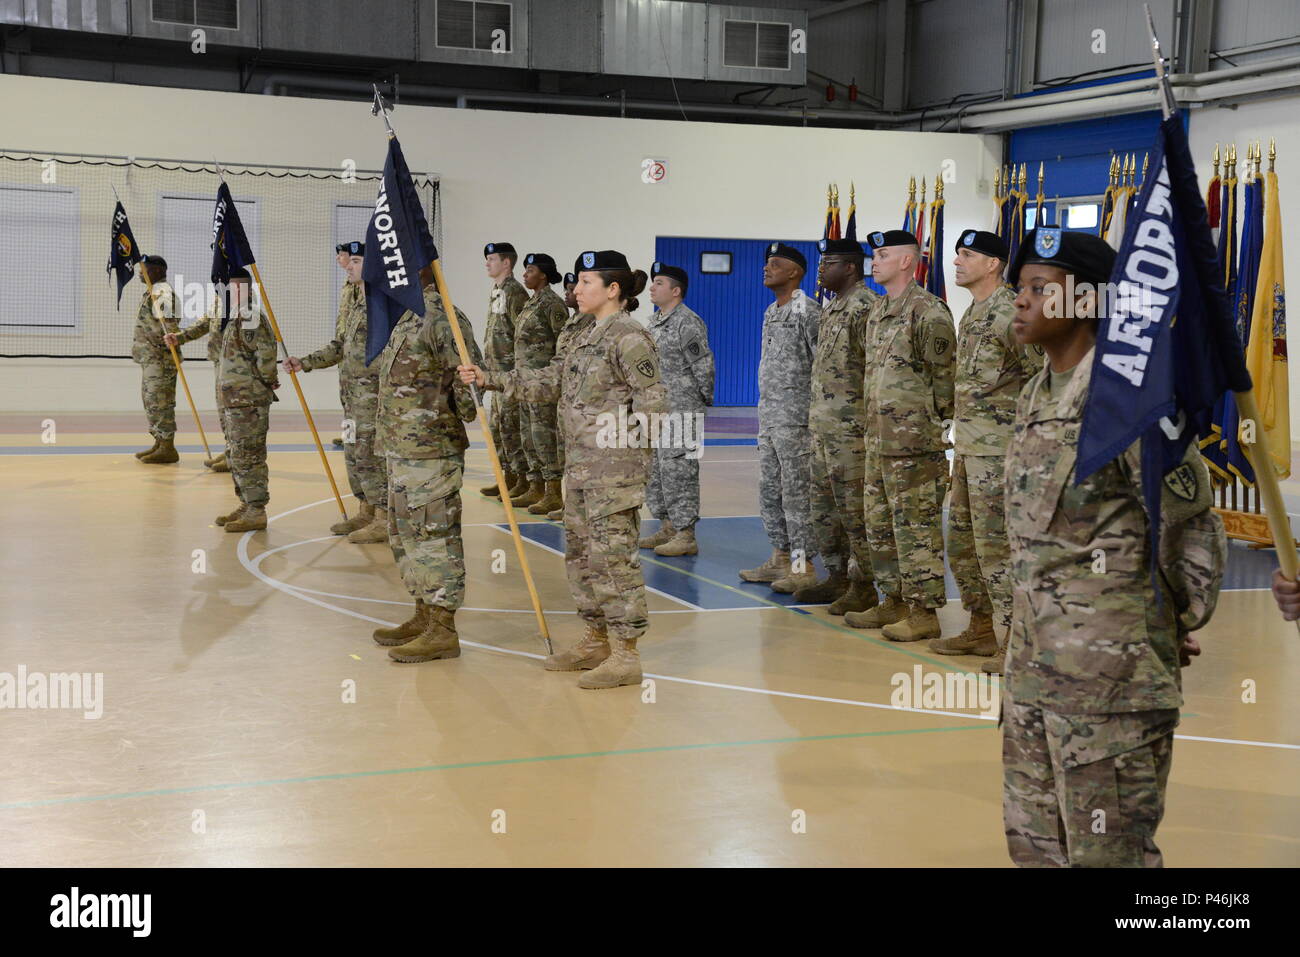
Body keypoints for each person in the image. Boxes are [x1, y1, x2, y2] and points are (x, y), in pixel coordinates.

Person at [1001, 227, 1226, 867]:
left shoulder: (1131, 402)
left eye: (1040, 289)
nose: (1020, 301)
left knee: (1110, 860)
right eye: (1020, 288)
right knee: (1035, 851)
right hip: (1033, 679)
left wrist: (1163, 625)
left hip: (1109, 691)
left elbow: (1189, 532)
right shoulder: (1036, 394)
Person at [459, 250, 668, 690]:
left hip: (613, 474)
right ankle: (596, 640)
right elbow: (550, 379)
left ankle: (626, 653)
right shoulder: (582, 335)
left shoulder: (629, 337)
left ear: (613, 290)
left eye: (587, 282)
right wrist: (489, 379)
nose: (576, 289)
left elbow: (655, 407)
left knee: (613, 561)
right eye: (578, 282)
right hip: (579, 468)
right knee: (582, 559)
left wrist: (631, 465)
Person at [934, 229, 1042, 672]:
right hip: (970, 448)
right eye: (957, 253)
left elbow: (1040, 375)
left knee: (998, 547)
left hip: (1001, 453)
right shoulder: (974, 312)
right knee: (963, 543)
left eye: (968, 254)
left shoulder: (1009, 311)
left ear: (993, 264)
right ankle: (981, 627)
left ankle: (1017, 640)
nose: (957, 261)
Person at [369, 265, 482, 663]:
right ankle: (423, 613)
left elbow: (467, 381)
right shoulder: (404, 317)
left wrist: (458, 416)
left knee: (434, 538)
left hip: (432, 451)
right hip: (401, 451)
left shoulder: (443, 317)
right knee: (406, 537)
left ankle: (443, 628)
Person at [845, 230, 955, 639]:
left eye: (884, 255)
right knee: (880, 525)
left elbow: (944, 379)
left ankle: (924, 612)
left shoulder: (929, 311)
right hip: (877, 440)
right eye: (875, 255)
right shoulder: (878, 310)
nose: (874, 261)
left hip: (914, 444)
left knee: (916, 527)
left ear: (907, 262)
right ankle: (891, 600)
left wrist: (928, 428)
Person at [283, 242, 388, 543]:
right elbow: (340, 346)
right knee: (354, 455)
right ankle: (365, 510)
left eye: (356, 261)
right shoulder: (356, 305)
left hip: (374, 398)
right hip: (351, 398)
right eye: (350, 261)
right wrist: (304, 362)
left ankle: (383, 517)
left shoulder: (384, 306)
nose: (349, 266)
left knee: (372, 457)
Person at [800, 238, 881, 613]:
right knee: (824, 511)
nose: (820, 268)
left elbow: (873, 371)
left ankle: (863, 585)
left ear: (850, 267)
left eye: (828, 262)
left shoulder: (865, 307)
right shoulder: (832, 308)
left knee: (854, 513)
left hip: (852, 433)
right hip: (824, 430)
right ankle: (837, 577)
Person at [740, 243, 820, 593]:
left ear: (795, 272)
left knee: (797, 496)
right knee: (770, 492)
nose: (766, 268)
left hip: (798, 422)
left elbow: (824, 366)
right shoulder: (772, 311)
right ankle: (780, 558)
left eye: (775, 264)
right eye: (766, 263)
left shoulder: (809, 311)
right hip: (771, 418)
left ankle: (803, 567)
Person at [638, 261, 715, 557]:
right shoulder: (655, 322)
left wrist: (700, 402)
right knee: (658, 472)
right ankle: (668, 526)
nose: (652, 287)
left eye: (658, 283)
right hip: (658, 410)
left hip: (683, 408)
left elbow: (703, 364)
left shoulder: (688, 322)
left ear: (676, 291)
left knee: (680, 471)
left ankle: (686, 534)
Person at [211, 267, 280, 533]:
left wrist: (266, 380)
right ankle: (245, 503)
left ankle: (256, 509)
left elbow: (265, 354)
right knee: (238, 454)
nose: (227, 292)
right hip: (234, 399)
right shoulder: (236, 316)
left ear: (243, 288)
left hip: (248, 400)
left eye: (232, 287)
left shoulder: (250, 314)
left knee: (249, 455)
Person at [513, 253, 569, 515]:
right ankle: (535, 486)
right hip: (526, 381)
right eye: (525, 269)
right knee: (528, 436)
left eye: (531, 270)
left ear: (544, 275)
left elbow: (563, 343)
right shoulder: (530, 303)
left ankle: (553, 492)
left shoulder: (553, 304)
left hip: (543, 382)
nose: (525, 274)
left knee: (544, 436)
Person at [478, 242, 529, 500]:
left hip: (509, 375)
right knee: (499, 429)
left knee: (511, 430)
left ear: (506, 263)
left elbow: (521, 335)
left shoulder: (514, 292)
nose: (487, 263)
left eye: (492, 258)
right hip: (495, 375)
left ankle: (521, 480)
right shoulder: (497, 290)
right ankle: (505, 478)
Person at [166, 292, 229, 473]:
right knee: (224, 410)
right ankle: (232, 450)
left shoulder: (244, 304)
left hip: (237, 365)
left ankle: (238, 456)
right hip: (220, 361)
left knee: (234, 411)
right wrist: (181, 336)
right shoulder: (220, 299)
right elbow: (206, 322)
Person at [130, 255, 181, 464]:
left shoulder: (162, 293)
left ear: (158, 271)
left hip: (161, 359)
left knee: (160, 402)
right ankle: (160, 442)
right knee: (152, 401)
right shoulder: (153, 292)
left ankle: (167, 447)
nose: (140, 272)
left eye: (146, 269)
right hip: (152, 359)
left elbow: (170, 327)